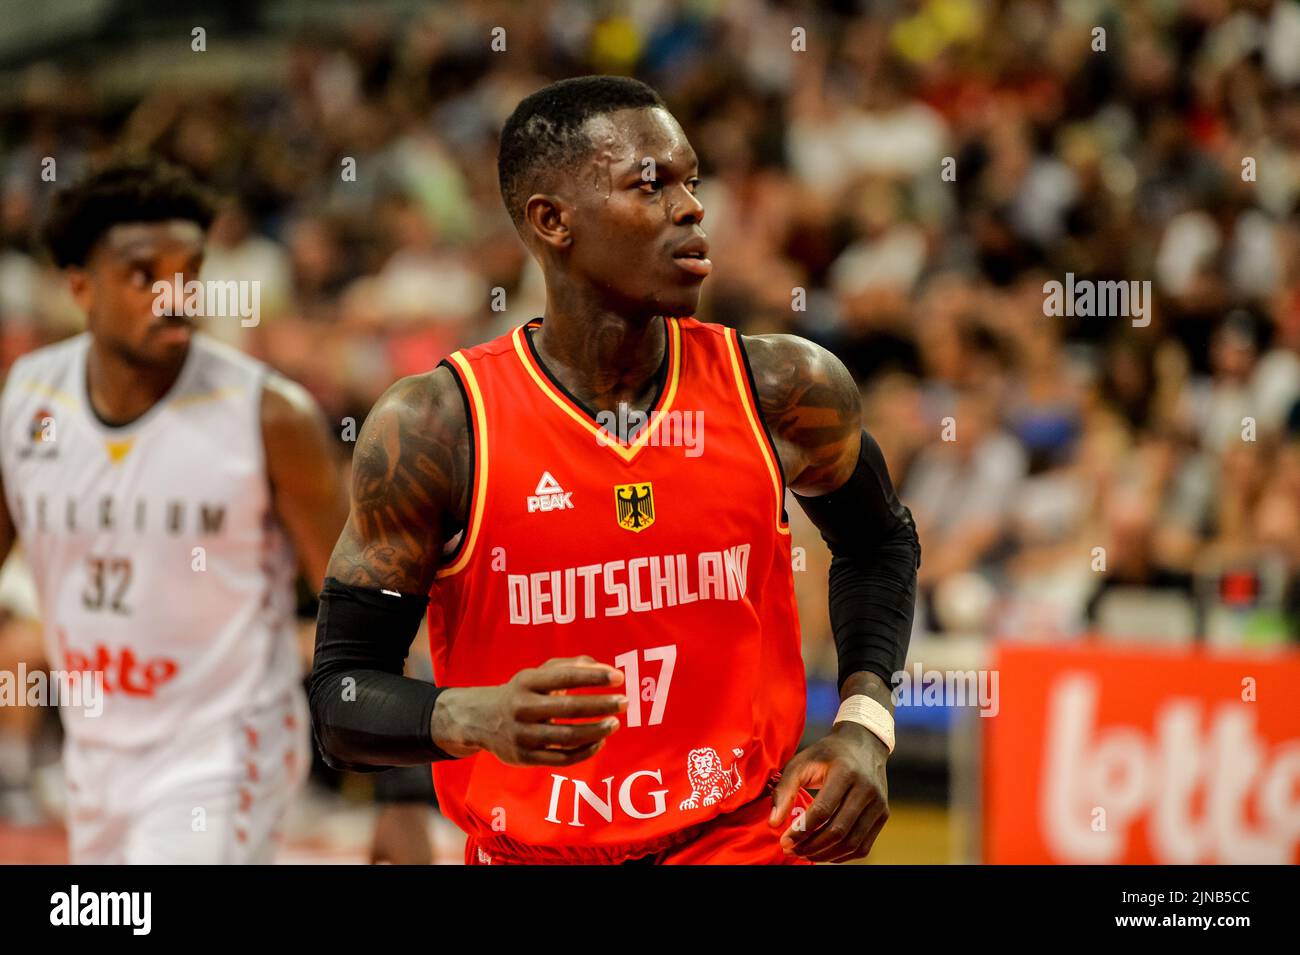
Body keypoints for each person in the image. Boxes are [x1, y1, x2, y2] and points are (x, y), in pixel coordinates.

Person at [310, 76, 921, 865]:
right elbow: (340, 696)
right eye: (650, 183)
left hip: (741, 838)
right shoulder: (439, 427)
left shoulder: (784, 388)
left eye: (691, 181)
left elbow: (880, 545)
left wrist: (865, 724)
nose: (692, 206)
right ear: (552, 221)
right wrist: (475, 717)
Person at [0, 158, 345, 863]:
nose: (175, 293)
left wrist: (397, 790)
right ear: (80, 288)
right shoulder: (29, 399)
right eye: (143, 273)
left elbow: (361, 610)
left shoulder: (271, 414)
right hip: (95, 755)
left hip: (226, 746)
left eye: (189, 269)